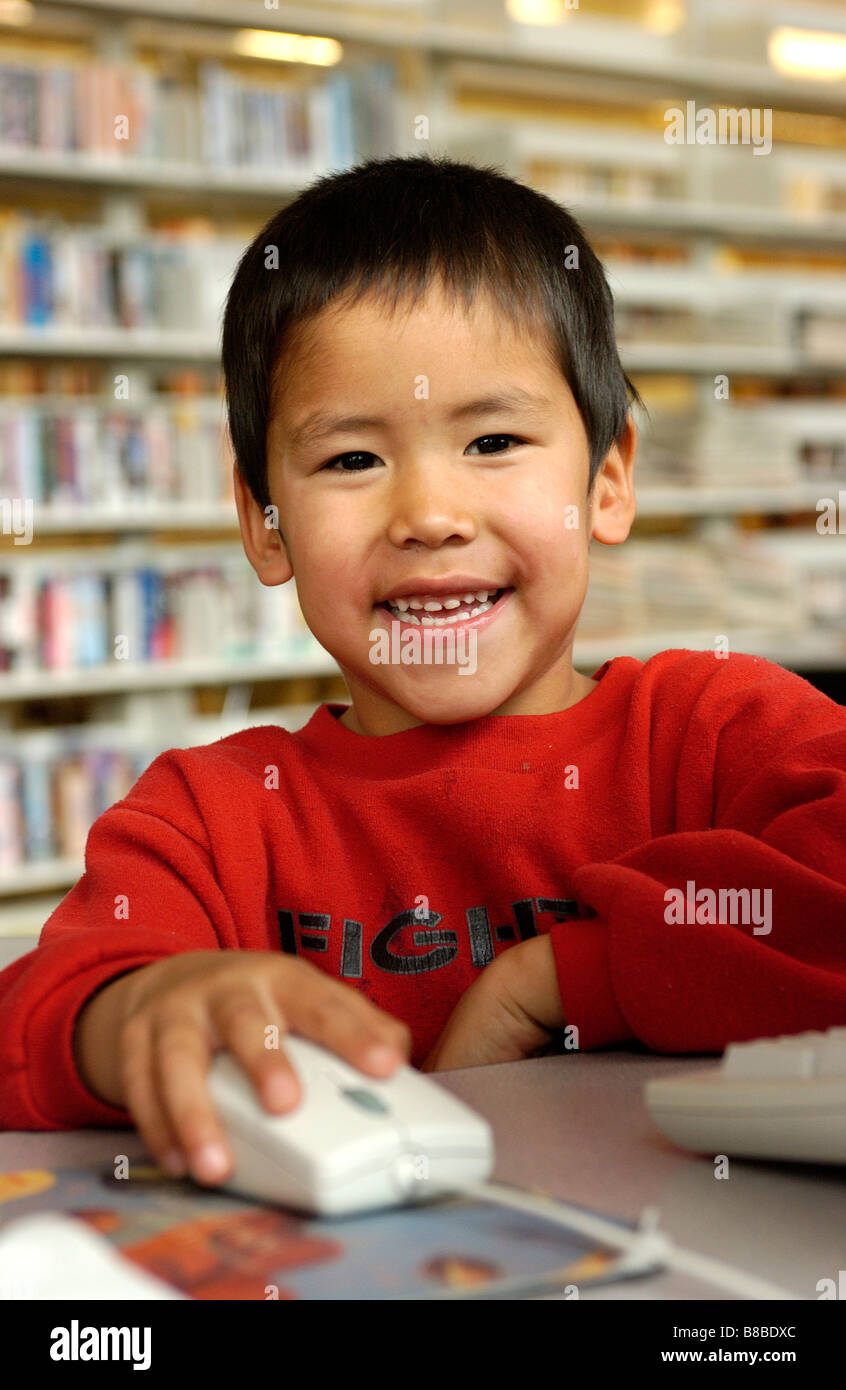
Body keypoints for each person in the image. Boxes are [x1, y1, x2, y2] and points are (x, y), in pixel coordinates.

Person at [1, 156, 844, 1196]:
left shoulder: (712, 730)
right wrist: (139, 1009)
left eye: (493, 439)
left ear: (609, 479)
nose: (429, 513)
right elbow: (34, 1021)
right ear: (264, 522)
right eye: (352, 460)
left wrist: (572, 975)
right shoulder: (208, 820)